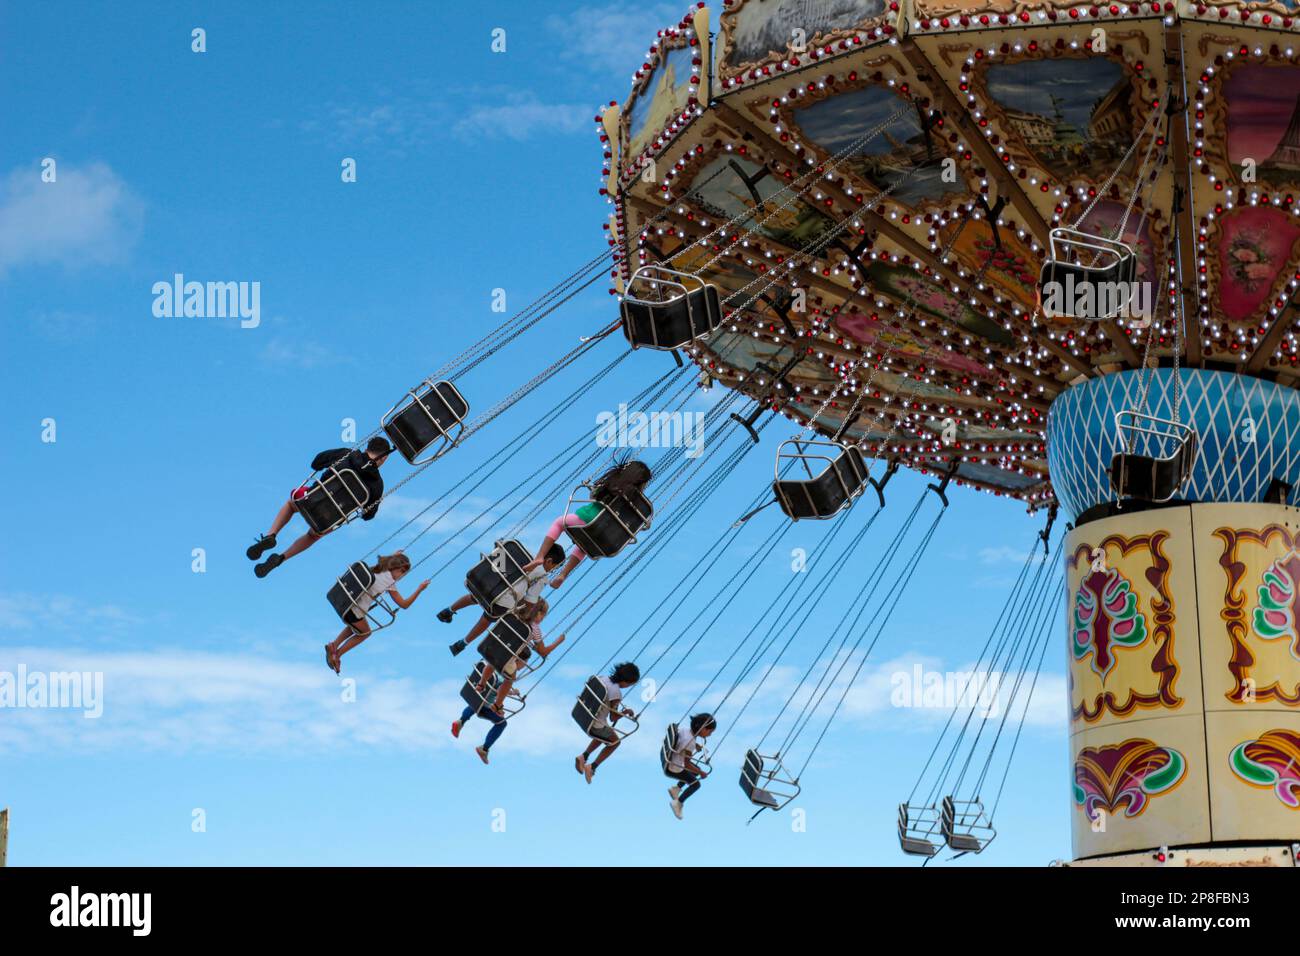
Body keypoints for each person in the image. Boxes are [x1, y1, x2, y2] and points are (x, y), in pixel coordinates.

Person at [247, 436, 393, 578]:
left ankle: (271, 535)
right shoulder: (377, 485)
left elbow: (316, 463)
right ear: (385, 458)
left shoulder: (346, 453)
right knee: (313, 536)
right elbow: (368, 515)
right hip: (327, 521)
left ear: (367, 447)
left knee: (291, 504)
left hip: (310, 500)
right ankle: (281, 558)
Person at [524, 458, 652, 588]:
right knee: (585, 544)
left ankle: (540, 557)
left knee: (559, 523)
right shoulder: (637, 503)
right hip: (606, 535)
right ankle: (563, 574)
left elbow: (593, 496)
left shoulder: (613, 484)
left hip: (590, 518)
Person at [436, 543, 565, 656]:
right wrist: (521, 610)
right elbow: (530, 601)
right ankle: (462, 643)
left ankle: (448, 610)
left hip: (489, 581)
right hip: (503, 599)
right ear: (549, 561)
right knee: (487, 619)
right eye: (554, 567)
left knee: (475, 597)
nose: (552, 570)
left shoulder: (523, 550)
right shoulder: (542, 576)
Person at [324, 552, 429, 673]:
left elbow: (386, 564)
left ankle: (334, 645)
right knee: (365, 633)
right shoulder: (390, 582)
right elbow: (404, 605)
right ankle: (337, 654)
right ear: (399, 569)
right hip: (352, 611)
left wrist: (393, 556)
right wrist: (419, 589)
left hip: (345, 604)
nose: (401, 578)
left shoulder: (377, 569)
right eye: (402, 574)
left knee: (358, 625)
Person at [472, 599, 565, 698]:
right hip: (507, 658)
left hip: (493, 647)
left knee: (493, 662)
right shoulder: (535, 629)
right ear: (538, 613)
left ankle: (481, 683)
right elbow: (542, 651)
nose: (543, 619)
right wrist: (558, 642)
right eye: (543, 615)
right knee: (511, 678)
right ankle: (497, 705)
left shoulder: (513, 613)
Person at [576, 661, 641, 784]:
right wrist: (627, 712)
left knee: (606, 733)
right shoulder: (616, 692)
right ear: (626, 681)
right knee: (615, 742)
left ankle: (583, 756)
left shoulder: (601, 678)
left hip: (584, 715)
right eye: (630, 684)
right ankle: (592, 767)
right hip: (595, 725)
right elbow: (613, 717)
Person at [452, 666, 515, 765]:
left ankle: (461, 721)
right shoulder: (505, 678)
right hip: (485, 706)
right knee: (502, 723)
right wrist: (512, 692)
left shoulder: (493, 668)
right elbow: (499, 690)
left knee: (477, 703)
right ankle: (484, 749)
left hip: (478, 697)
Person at [664, 713, 717, 820]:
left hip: (670, 759)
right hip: (674, 769)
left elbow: (682, 743)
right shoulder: (690, 742)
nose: (710, 735)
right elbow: (687, 764)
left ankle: (676, 789)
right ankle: (678, 803)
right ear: (702, 728)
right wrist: (702, 773)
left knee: (696, 770)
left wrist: (694, 746)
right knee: (696, 784)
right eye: (709, 731)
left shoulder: (685, 730)